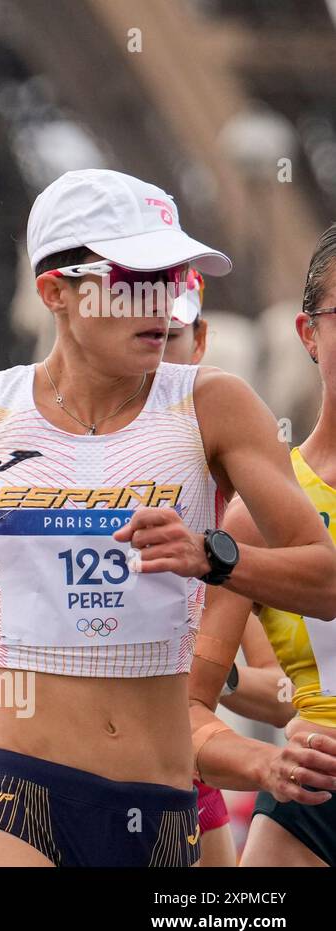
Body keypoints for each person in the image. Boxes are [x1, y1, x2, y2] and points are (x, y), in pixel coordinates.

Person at [0, 168, 336, 867]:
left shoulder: (216, 406)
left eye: (172, 281)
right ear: (56, 291)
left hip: (164, 805)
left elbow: (324, 581)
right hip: (19, 791)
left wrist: (215, 557)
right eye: (135, 281)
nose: (162, 303)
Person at [0, 266, 290, 866]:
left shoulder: (221, 499)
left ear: (198, 344)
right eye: (138, 325)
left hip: (177, 788)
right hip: (27, 781)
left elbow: (279, 692)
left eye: (169, 334)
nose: (151, 347)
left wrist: (206, 677)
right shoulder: (8, 442)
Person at [190, 222, 336, 867]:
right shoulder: (262, 517)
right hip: (316, 806)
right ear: (309, 334)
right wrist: (267, 759)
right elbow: (193, 700)